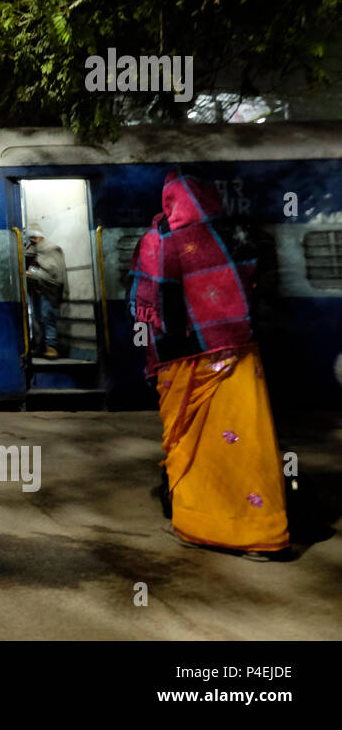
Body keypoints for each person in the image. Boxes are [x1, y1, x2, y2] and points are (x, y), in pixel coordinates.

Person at [129, 170, 287, 558]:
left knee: (193, 442)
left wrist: (152, 352)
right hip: (239, 353)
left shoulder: (158, 240)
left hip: (183, 359)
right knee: (247, 444)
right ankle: (260, 531)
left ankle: (201, 522)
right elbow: (258, 282)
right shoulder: (235, 234)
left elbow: (142, 307)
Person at [24, 224, 66, 358]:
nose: (32, 241)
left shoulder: (51, 250)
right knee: (37, 319)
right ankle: (40, 345)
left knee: (48, 317)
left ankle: (51, 346)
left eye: (33, 238)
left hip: (47, 290)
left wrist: (32, 273)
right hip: (35, 290)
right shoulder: (30, 251)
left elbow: (54, 274)